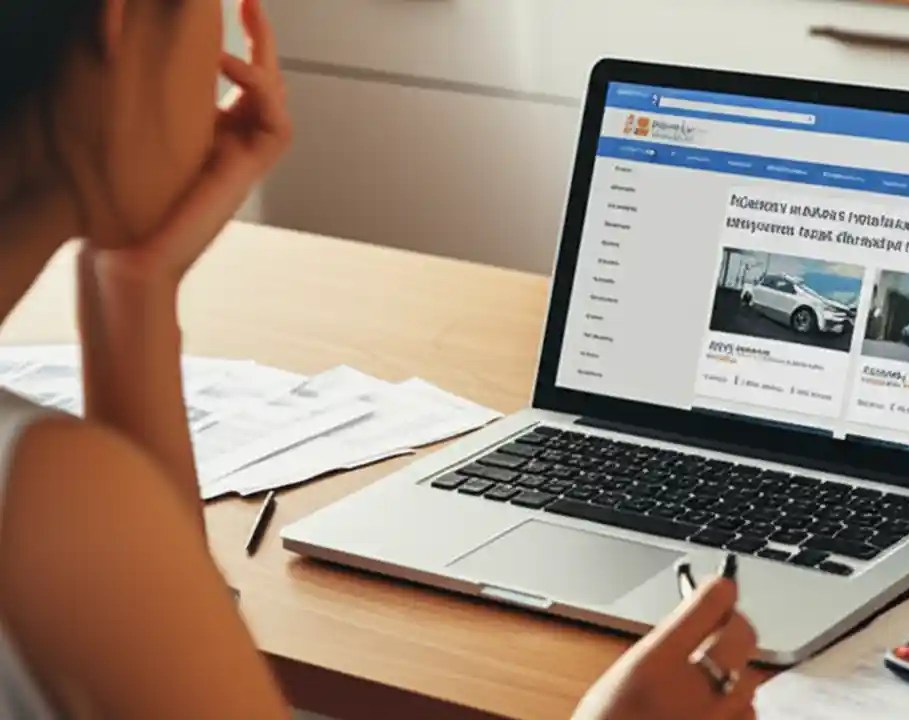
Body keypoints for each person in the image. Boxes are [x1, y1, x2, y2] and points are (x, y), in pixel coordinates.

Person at [0, 0, 759, 717]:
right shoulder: (56, 496)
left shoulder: (63, 497)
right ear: (120, 19)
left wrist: (132, 288)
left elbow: (157, 633)